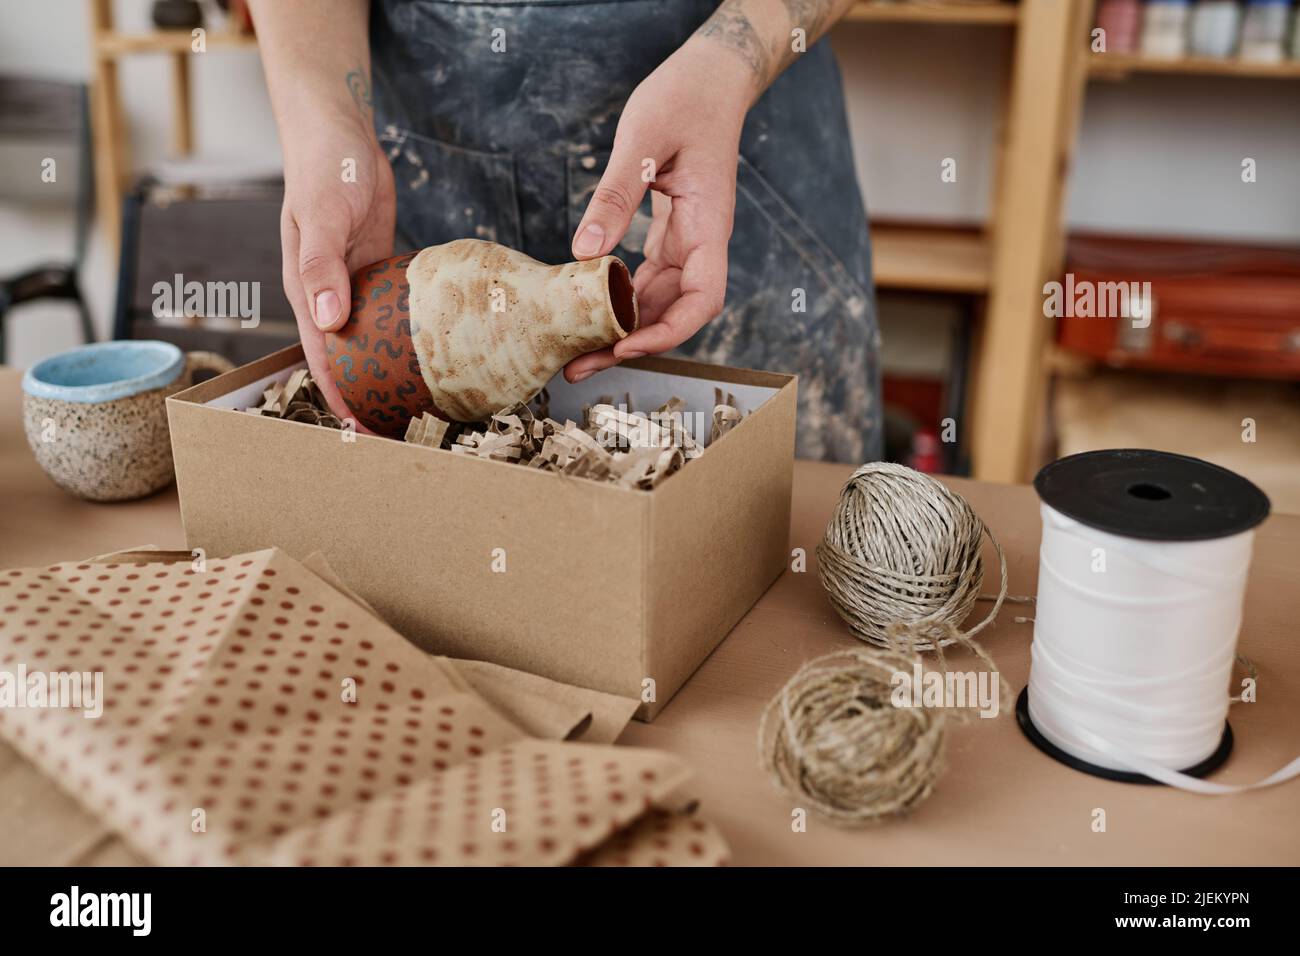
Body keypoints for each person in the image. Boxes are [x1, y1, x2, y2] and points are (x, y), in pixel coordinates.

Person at [251, 0, 880, 461]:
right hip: (431, 193)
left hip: (723, 148)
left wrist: (733, 60)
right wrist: (328, 127)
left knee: (768, 552)